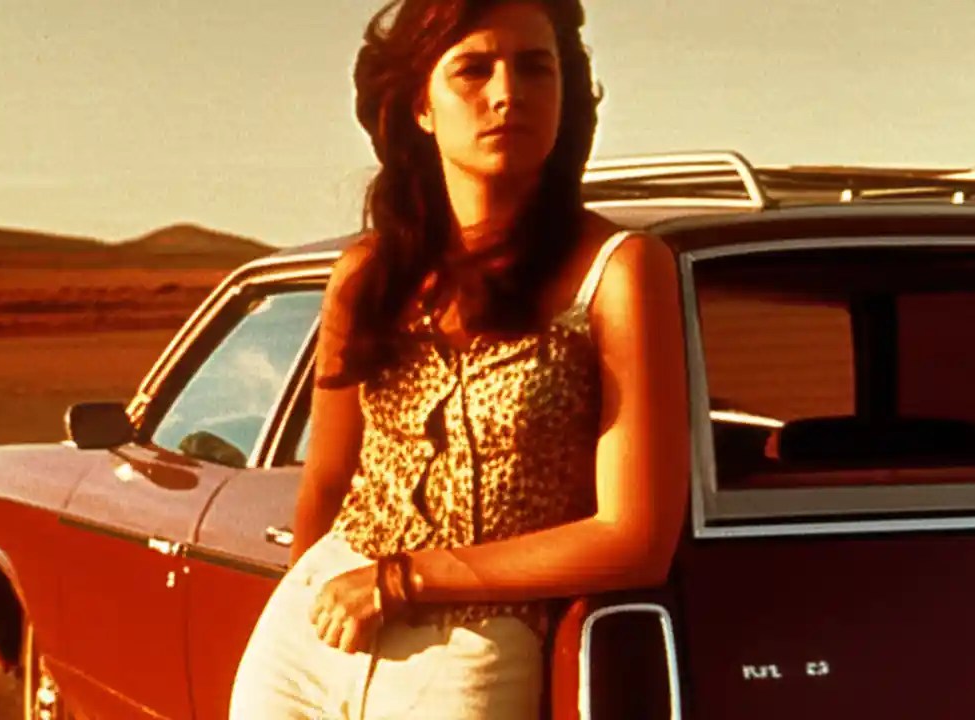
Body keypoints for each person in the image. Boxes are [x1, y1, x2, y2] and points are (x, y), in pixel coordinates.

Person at [229, 0, 689, 717]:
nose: (507, 93)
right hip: (313, 631)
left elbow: (633, 539)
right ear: (420, 105)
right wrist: (315, 606)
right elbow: (326, 482)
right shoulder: (367, 273)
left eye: (536, 68)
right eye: (473, 69)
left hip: (471, 647)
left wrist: (404, 580)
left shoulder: (620, 270)